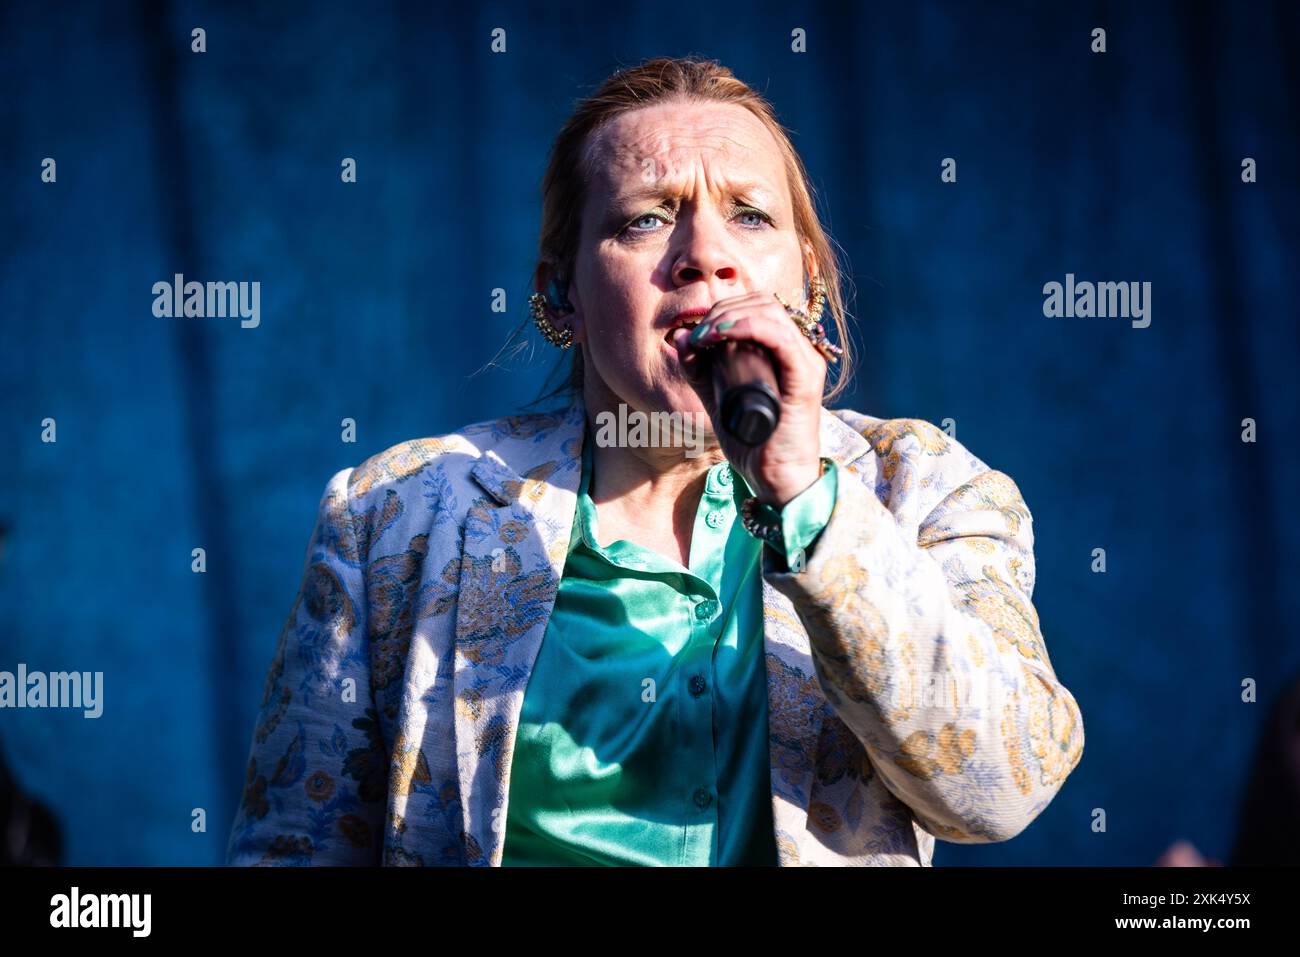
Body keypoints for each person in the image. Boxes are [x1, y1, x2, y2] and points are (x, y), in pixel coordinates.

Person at [226, 56, 1084, 867]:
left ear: (808, 281)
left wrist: (806, 500)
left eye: (750, 215)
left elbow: (1001, 788)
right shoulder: (397, 513)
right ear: (560, 291)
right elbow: (293, 848)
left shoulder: (923, 487)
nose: (704, 253)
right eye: (645, 218)